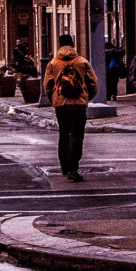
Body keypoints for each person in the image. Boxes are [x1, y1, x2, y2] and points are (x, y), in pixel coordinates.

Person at [43, 35, 98, 182]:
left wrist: (54, 99)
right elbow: (93, 83)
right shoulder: (82, 62)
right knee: (77, 135)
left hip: (61, 105)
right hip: (79, 105)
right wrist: (86, 97)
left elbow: (47, 85)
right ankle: (73, 169)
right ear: (73, 44)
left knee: (63, 133)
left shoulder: (53, 63)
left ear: (59, 45)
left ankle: (64, 166)